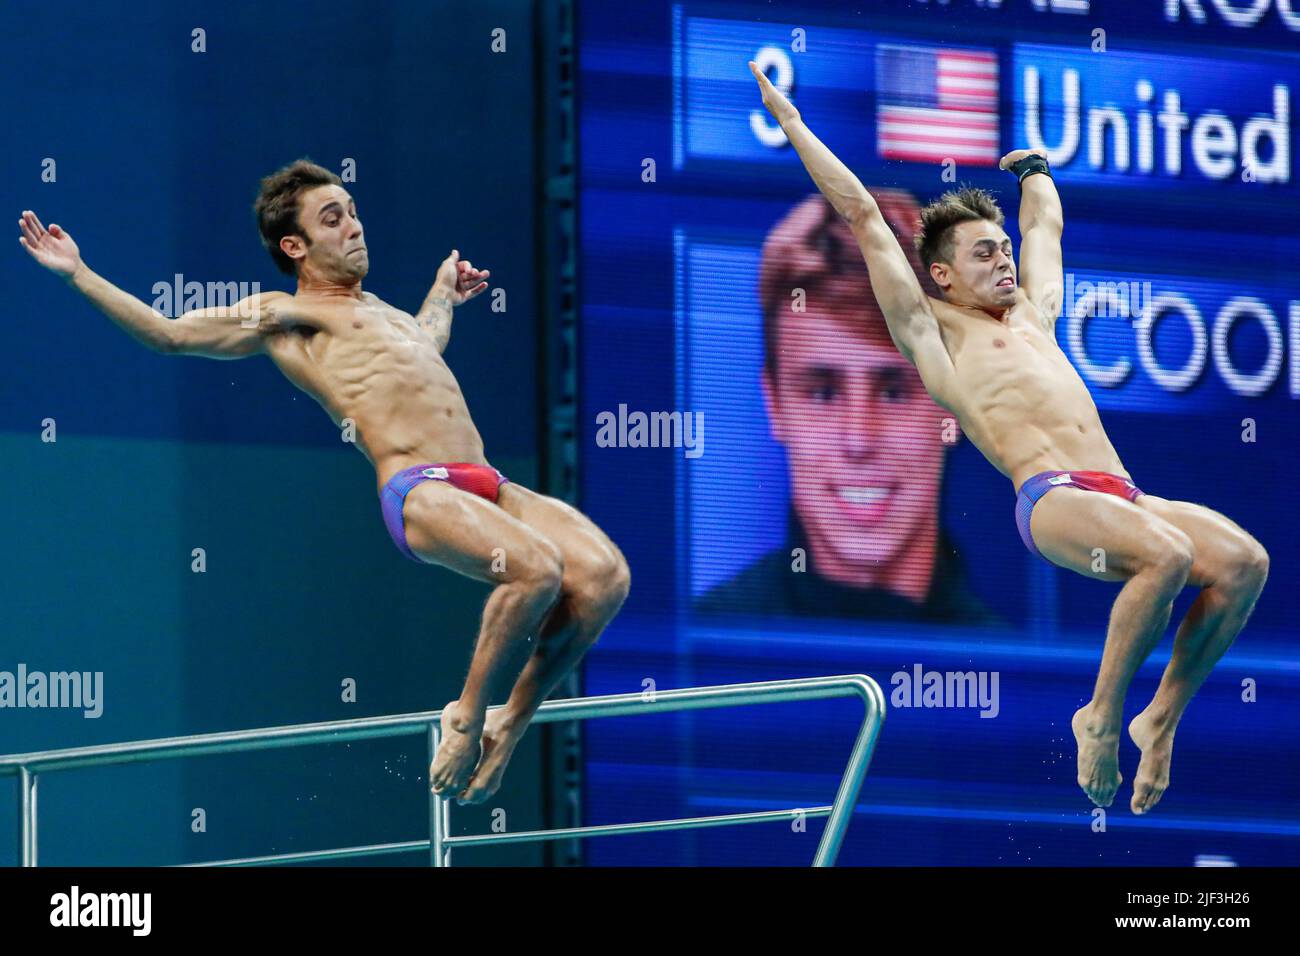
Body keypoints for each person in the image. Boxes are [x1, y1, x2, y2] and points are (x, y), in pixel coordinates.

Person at [17, 159, 631, 806]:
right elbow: (170, 335)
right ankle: (468, 716)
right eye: (332, 219)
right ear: (296, 247)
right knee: (535, 571)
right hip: (421, 490)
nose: (354, 228)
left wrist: (443, 294)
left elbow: (424, 346)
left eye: (354, 211)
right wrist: (79, 274)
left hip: (484, 481)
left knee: (602, 578)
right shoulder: (286, 316)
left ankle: (509, 723)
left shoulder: (388, 314)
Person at [750, 63, 1268, 815]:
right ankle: (1099, 717)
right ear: (941, 276)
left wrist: (1033, 169)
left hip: (1123, 495)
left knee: (1244, 563)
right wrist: (795, 125)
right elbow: (862, 214)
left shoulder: (1035, 317)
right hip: (1051, 500)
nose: (1003, 262)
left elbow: (1044, 226)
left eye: (1002, 251)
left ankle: (1159, 718)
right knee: (1168, 555)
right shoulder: (934, 332)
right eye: (983, 255)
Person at [695, 192, 1000, 625]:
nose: (858, 440)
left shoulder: (1020, 672)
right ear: (775, 404)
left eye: (894, 392)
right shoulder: (707, 653)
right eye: (822, 393)